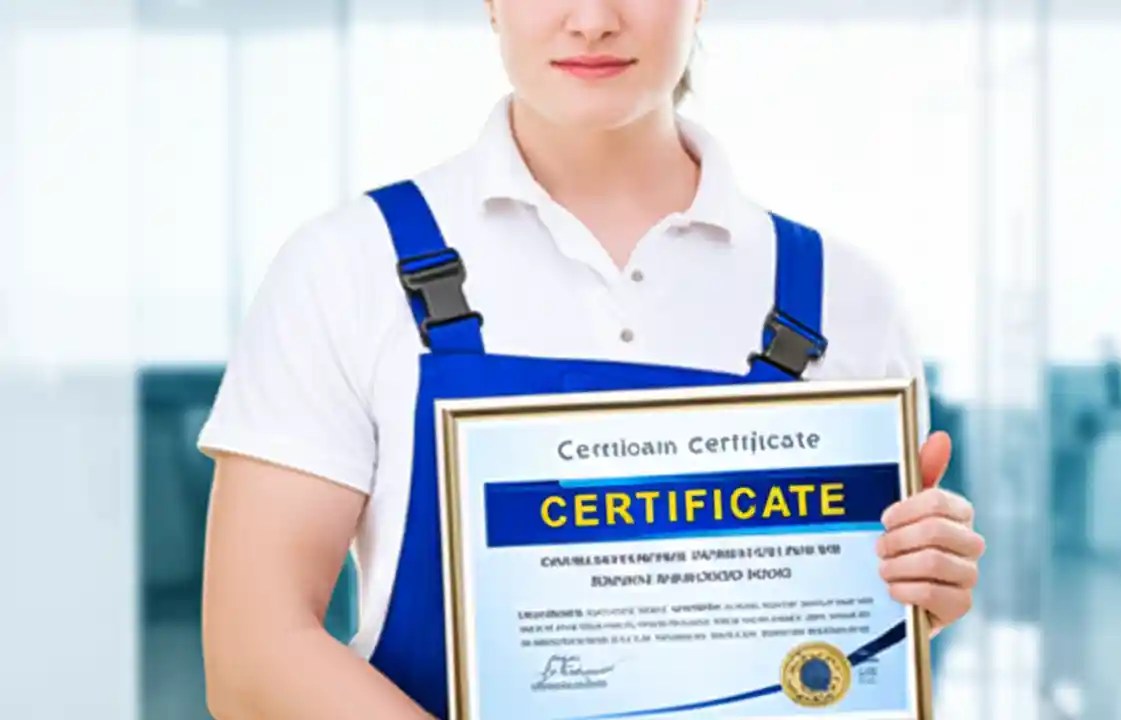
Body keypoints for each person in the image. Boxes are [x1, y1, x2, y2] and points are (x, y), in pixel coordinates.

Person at [198, 1, 986, 717]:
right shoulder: (348, 266)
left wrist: (911, 600)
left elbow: (841, 655)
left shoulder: (845, 298)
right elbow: (252, 654)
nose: (592, 18)